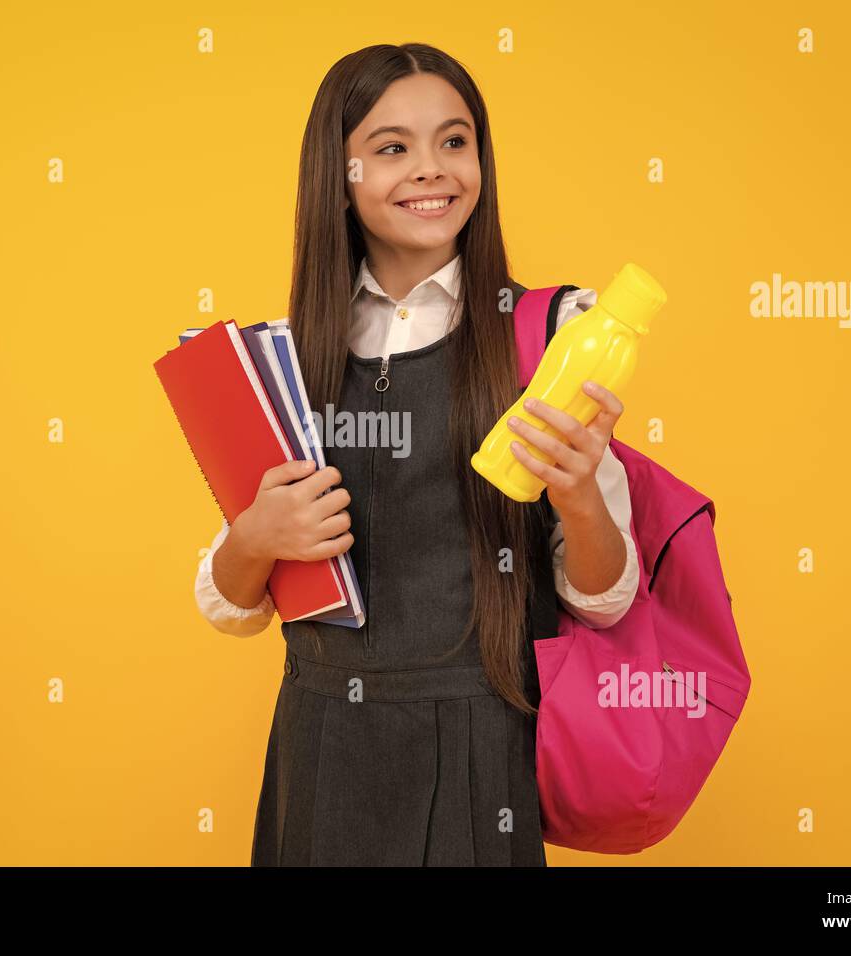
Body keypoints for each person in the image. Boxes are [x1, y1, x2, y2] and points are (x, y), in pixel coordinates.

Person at [193, 43, 639, 866]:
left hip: (483, 744)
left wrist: (577, 498)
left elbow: (607, 598)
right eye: (392, 147)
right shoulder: (283, 357)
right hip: (322, 747)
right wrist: (257, 537)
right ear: (341, 172)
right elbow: (228, 605)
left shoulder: (553, 336)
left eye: (455, 141)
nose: (431, 170)